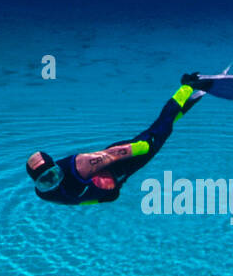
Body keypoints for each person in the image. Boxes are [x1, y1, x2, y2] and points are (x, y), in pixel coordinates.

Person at [26, 72, 219, 206]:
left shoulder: (81, 166)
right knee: (164, 125)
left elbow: (112, 154)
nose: (53, 182)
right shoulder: (45, 194)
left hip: (123, 159)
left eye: (52, 175)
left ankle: (187, 86)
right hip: (118, 175)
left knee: (162, 128)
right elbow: (75, 200)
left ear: (57, 169)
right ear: (37, 183)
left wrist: (143, 147)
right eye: (45, 180)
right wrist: (102, 198)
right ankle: (190, 96)